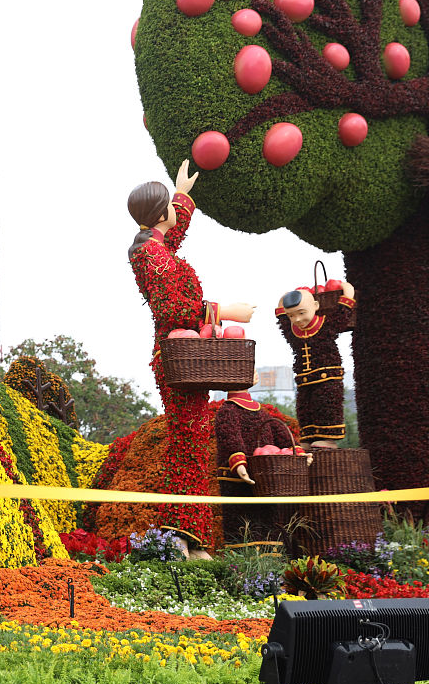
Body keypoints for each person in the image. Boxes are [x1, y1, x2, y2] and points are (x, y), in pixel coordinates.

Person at [124, 160, 255, 543]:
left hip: (188, 352)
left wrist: (181, 194)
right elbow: (174, 310)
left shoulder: (155, 243)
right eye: (167, 205)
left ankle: (188, 535)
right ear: (156, 214)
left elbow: (173, 229)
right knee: (189, 441)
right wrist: (226, 311)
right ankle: (180, 536)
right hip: (179, 354)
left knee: (194, 439)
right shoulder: (153, 256)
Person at [214, 388, 305, 542]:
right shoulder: (227, 411)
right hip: (238, 481)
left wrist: (298, 453)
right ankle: (243, 561)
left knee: (268, 524)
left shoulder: (262, 412)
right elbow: (230, 437)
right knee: (242, 526)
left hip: (266, 480)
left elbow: (280, 433)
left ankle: (270, 557)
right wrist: (239, 463)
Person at [276, 285, 357, 448]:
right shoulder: (293, 332)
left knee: (326, 405)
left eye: (301, 313)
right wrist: (282, 301)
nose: (297, 319)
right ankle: (308, 436)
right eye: (292, 315)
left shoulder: (326, 325)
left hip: (328, 377)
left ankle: (328, 438)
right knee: (305, 408)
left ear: (315, 306)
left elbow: (341, 316)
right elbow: (282, 320)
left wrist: (348, 295)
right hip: (304, 379)